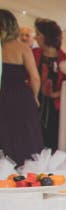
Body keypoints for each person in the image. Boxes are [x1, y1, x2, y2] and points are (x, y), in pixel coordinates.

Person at [0, 10, 44, 166]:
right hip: (20, 97)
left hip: (2, 96)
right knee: (25, 135)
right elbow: (35, 77)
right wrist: (35, 97)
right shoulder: (23, 48)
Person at [33, 18, 66, 151]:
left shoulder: (63, 58)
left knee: (53, 138)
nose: (35, 37)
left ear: (46, 36)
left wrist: (55, 94)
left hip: (55, 107)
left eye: (38, 34)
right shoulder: (34, 54)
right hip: (36, 103)